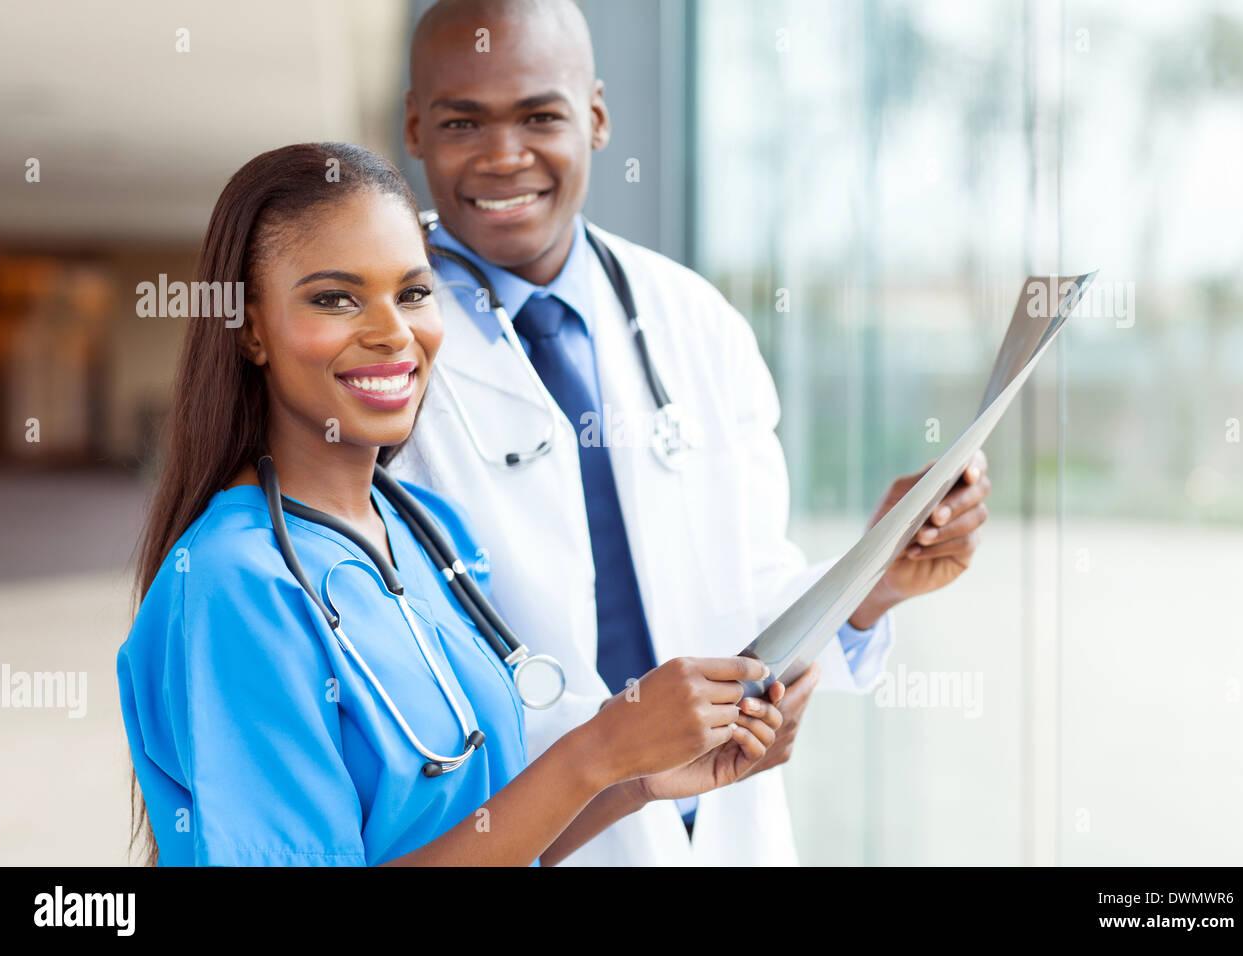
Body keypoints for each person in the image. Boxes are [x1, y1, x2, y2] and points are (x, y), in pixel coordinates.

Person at [393, 0, 993, 865]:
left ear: (596, 116)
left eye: (540, 116)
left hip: (723, 830)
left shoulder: (696, 323)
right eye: (462, 121)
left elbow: (750, 591)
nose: (503, 156)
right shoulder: (385, 351)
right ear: (415, 126)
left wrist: (875, 579)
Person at [116, 142, 786, 867]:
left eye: (411, 292)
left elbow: (492, 838)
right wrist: (597, 750)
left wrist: (636, 780)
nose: (391, 333)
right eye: (334, 298)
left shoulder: (431, 533)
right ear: (250, 328)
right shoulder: (234, 585)